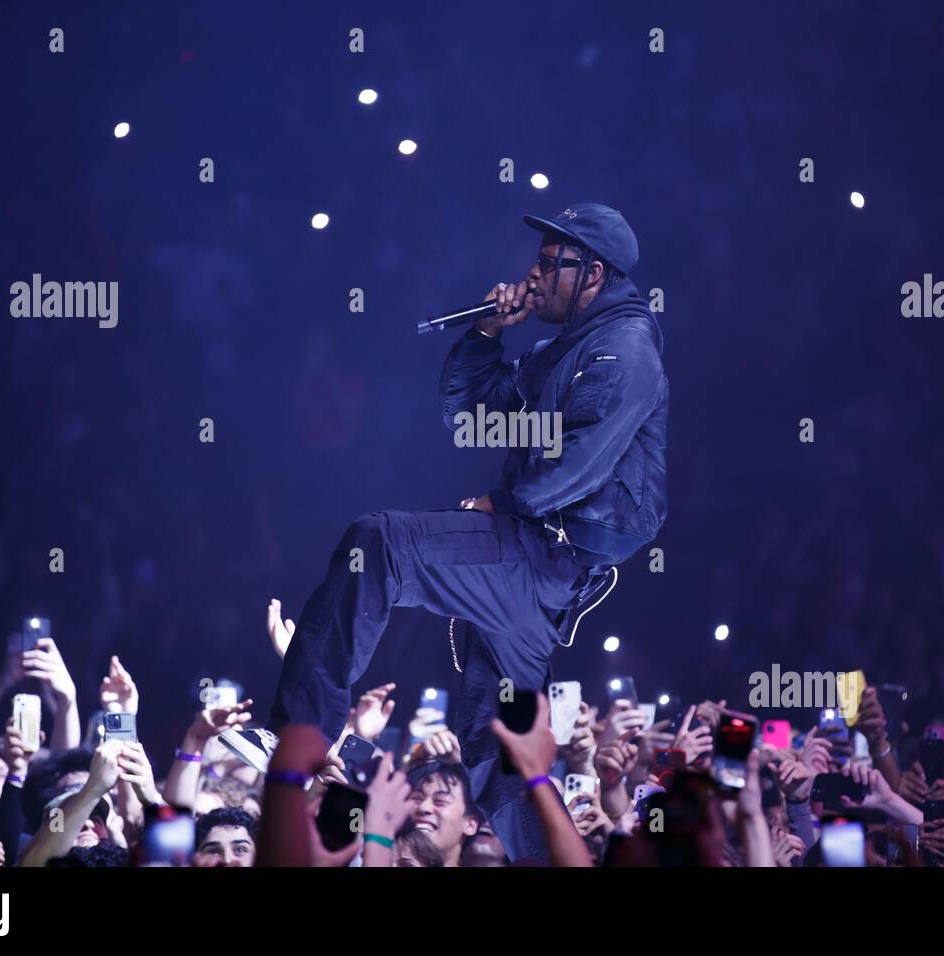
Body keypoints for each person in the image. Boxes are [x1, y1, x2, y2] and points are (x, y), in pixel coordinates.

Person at [271, 204, 668, 860]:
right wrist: (485, 334)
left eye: (548, 263)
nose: (533, 274)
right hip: (537, 565)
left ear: (592, 272)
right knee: (498, 743)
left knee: (379, 544)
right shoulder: (566, 349)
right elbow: (474, 418)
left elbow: (580, 461)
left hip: (542, 555)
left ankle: (299, 740)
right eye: (535, 260)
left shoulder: (623, 347)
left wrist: (497, 500)